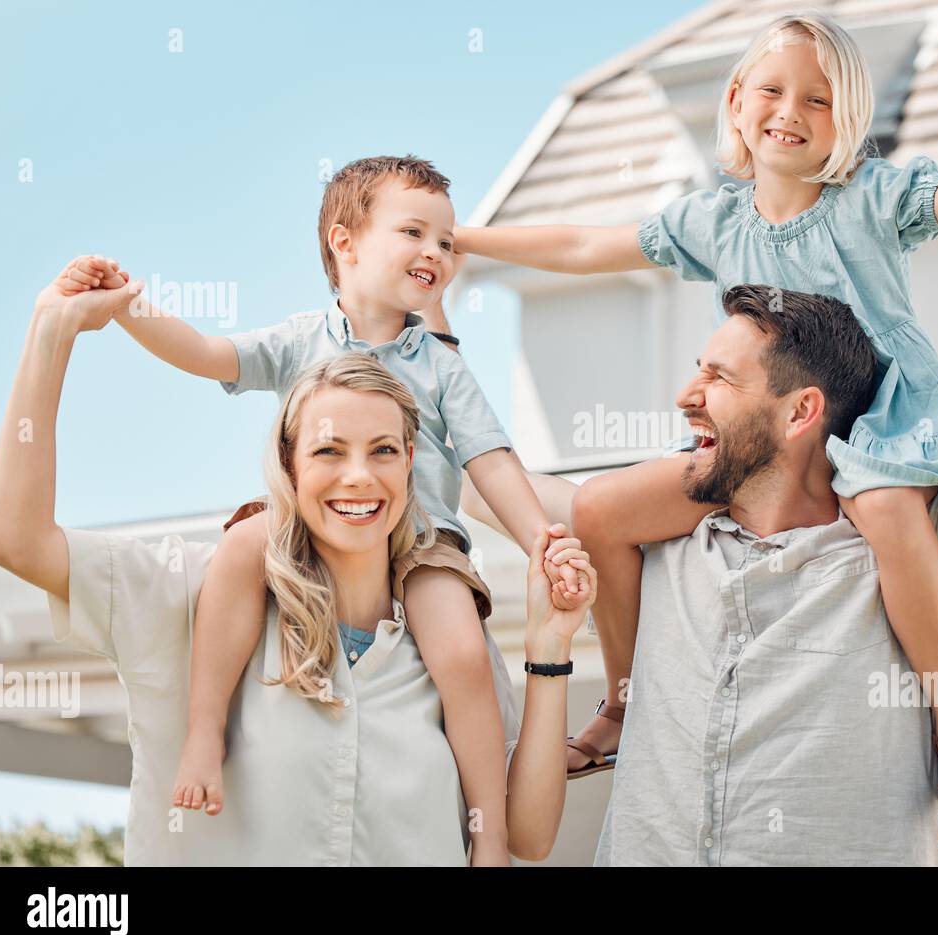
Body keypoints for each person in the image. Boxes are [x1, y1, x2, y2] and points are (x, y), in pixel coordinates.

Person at [453, 11, 938, 856]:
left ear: (851, 122)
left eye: (821, 99)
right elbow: (585, 242)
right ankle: (623, 700)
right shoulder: (714, 221)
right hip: (770, 443)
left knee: (887, 514)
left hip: (879, 424)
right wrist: (463, 237)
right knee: (608, 505)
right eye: (771, 89)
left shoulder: (870, 202)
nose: (790, 110)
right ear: (734, 103)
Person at [53, 154, 584, 867]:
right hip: (311, 526)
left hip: (422, 541)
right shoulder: (303, 338)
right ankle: (206, 731)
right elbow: (208, 353)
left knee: (459, 648)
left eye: (447, 242)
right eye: (415, 232)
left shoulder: (439, 362)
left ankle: (486, 831)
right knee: (243, 543)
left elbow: (490, 460)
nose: (436, 252)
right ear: (345, 241)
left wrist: (539, 543)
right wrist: (128, 306)